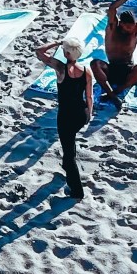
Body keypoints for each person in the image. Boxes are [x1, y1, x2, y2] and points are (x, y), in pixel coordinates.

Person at [35, 37, 94, 199]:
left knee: (68, 151)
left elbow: (39, 51)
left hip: (66, 116)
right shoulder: (86, 71)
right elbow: (89, 96)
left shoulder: (60, 68)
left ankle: (77, 191)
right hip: (81, 114)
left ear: (67, 53)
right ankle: (66, 165)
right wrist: (90, 113)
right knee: (70, 139)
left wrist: (56, 42)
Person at [95, 0, 137, 108]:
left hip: (127, 69)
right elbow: (112, 8)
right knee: (95, 64)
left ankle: (116, 92)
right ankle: (112, 95)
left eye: (132, 26)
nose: (130, 29)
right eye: (127, 27)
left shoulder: (135, 31)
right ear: (121, 24)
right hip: (111, 68)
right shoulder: (112, 28)